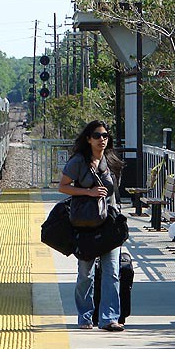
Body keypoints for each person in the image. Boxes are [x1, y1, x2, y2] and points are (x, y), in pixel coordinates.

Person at [58, 120, 125, 332]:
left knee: (112, 271)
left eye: (105, 135)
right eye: (97, 135)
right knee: (86, 274)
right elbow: (63, 187)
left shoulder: (111, 160)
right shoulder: (79, 161)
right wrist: (89, 192)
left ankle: (109, 318)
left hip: (109, 224)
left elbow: (115, 192)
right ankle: (85, 316)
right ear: (88, 139)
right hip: (86, 223)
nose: (102, 139)